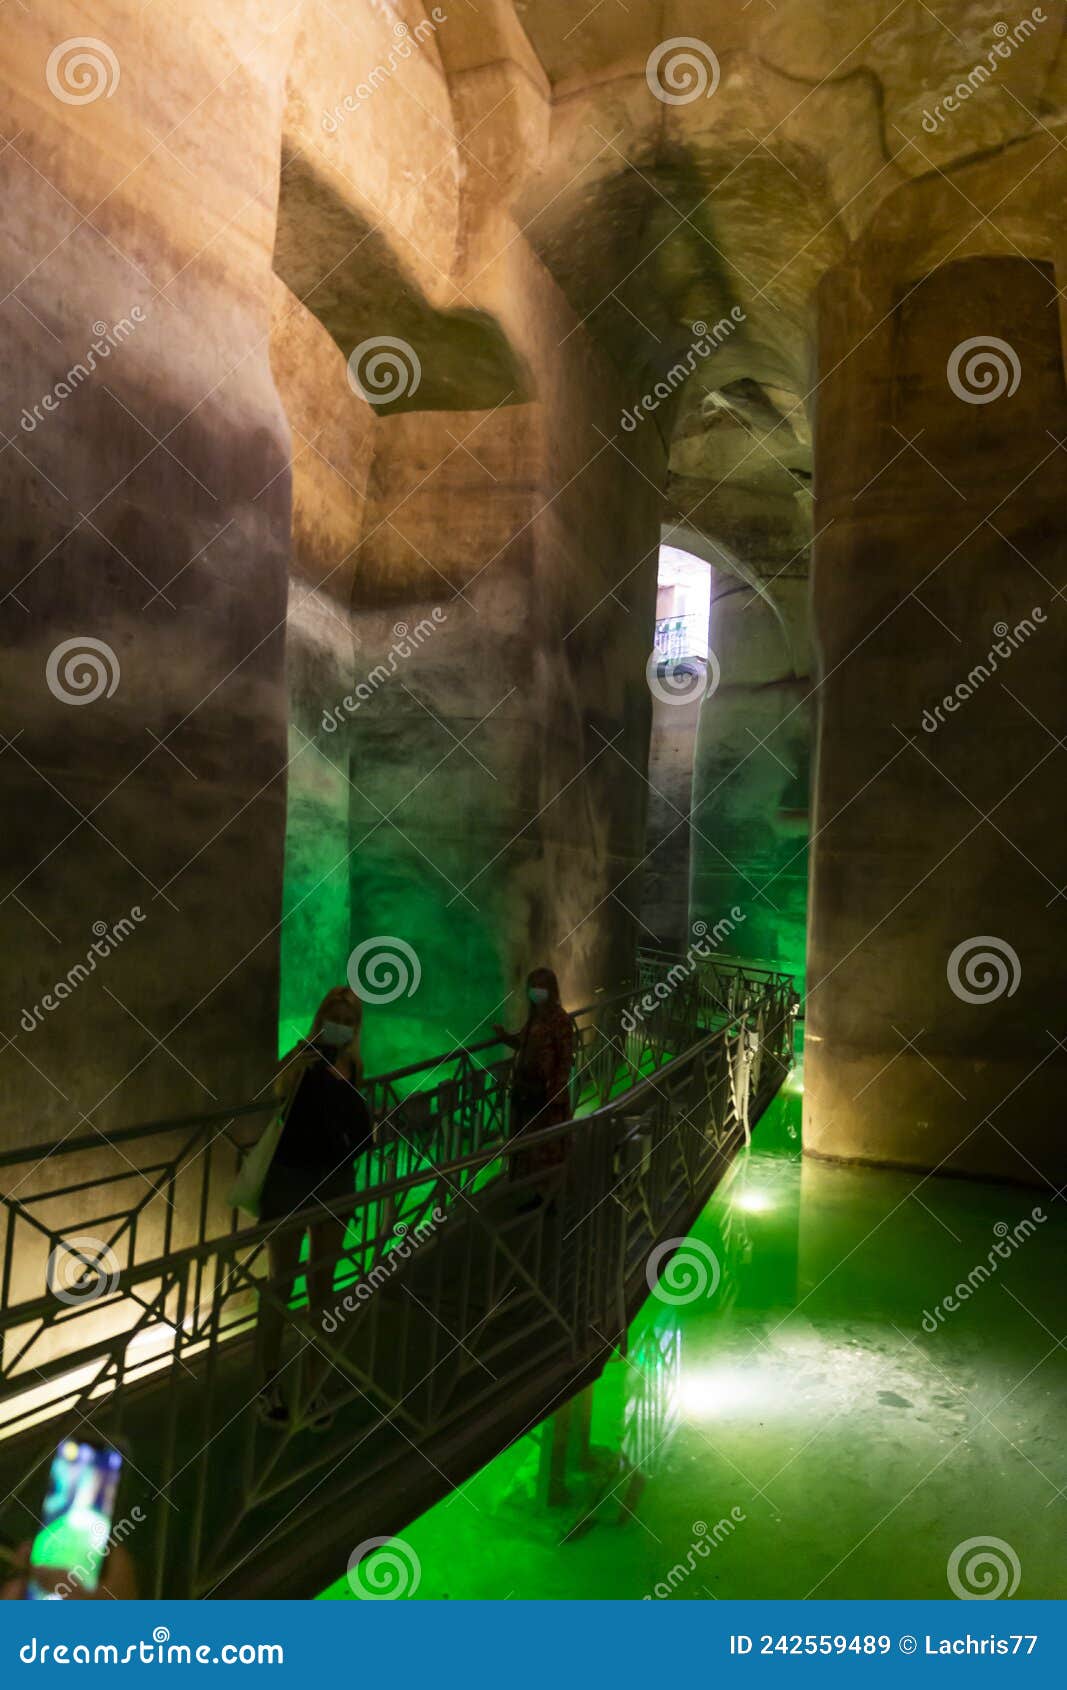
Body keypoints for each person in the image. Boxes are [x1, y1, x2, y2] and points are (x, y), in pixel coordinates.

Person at [256, 985, 372, 1429]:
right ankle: (268, 1384)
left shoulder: (355, 1065)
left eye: (348, 1019)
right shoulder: (301, 1056)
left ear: (356, 1027)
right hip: (290, 1181)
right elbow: (278, 1098)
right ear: (322, 1018)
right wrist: (296, 1068)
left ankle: (314, 1384)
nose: (339, 1025)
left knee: (323, 1289)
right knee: (281, 1285)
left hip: (336, 1183)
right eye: (333, 1015)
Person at [493, 967, 576, 1189]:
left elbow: (566, 1059)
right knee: (529, 1146)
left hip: (546, 1096)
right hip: (528, 1093)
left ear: (551, 990)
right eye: (533, 987)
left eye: (541, 987)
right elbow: (522, 1043)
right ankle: (532, 1191)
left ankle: (547, 1199)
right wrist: (503, 1036)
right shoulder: (534, 1019)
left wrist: (556, 1092)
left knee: (546, 1149)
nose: (536, 992)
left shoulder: (560, 1020)